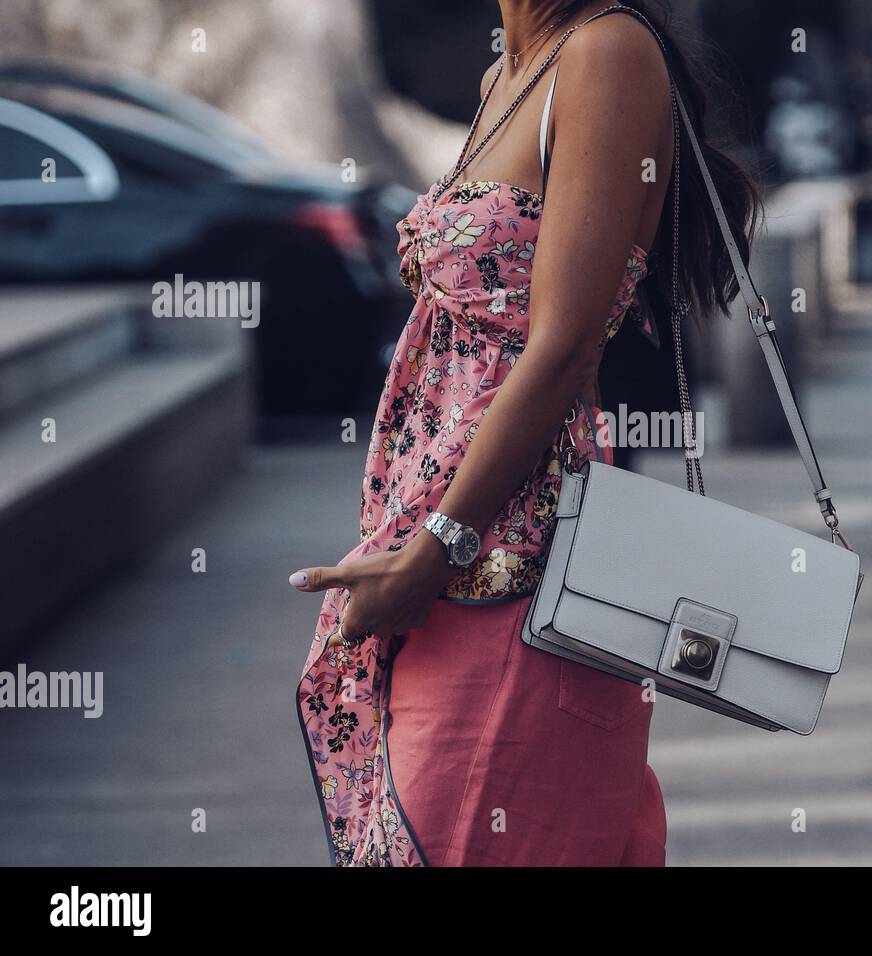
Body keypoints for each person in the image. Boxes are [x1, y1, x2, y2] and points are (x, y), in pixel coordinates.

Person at [289, 1, 759, 866]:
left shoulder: (607, 52)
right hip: (436, 539)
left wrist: (435, 551)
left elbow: (566, 343)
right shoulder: (507, 72)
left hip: (516, 555)